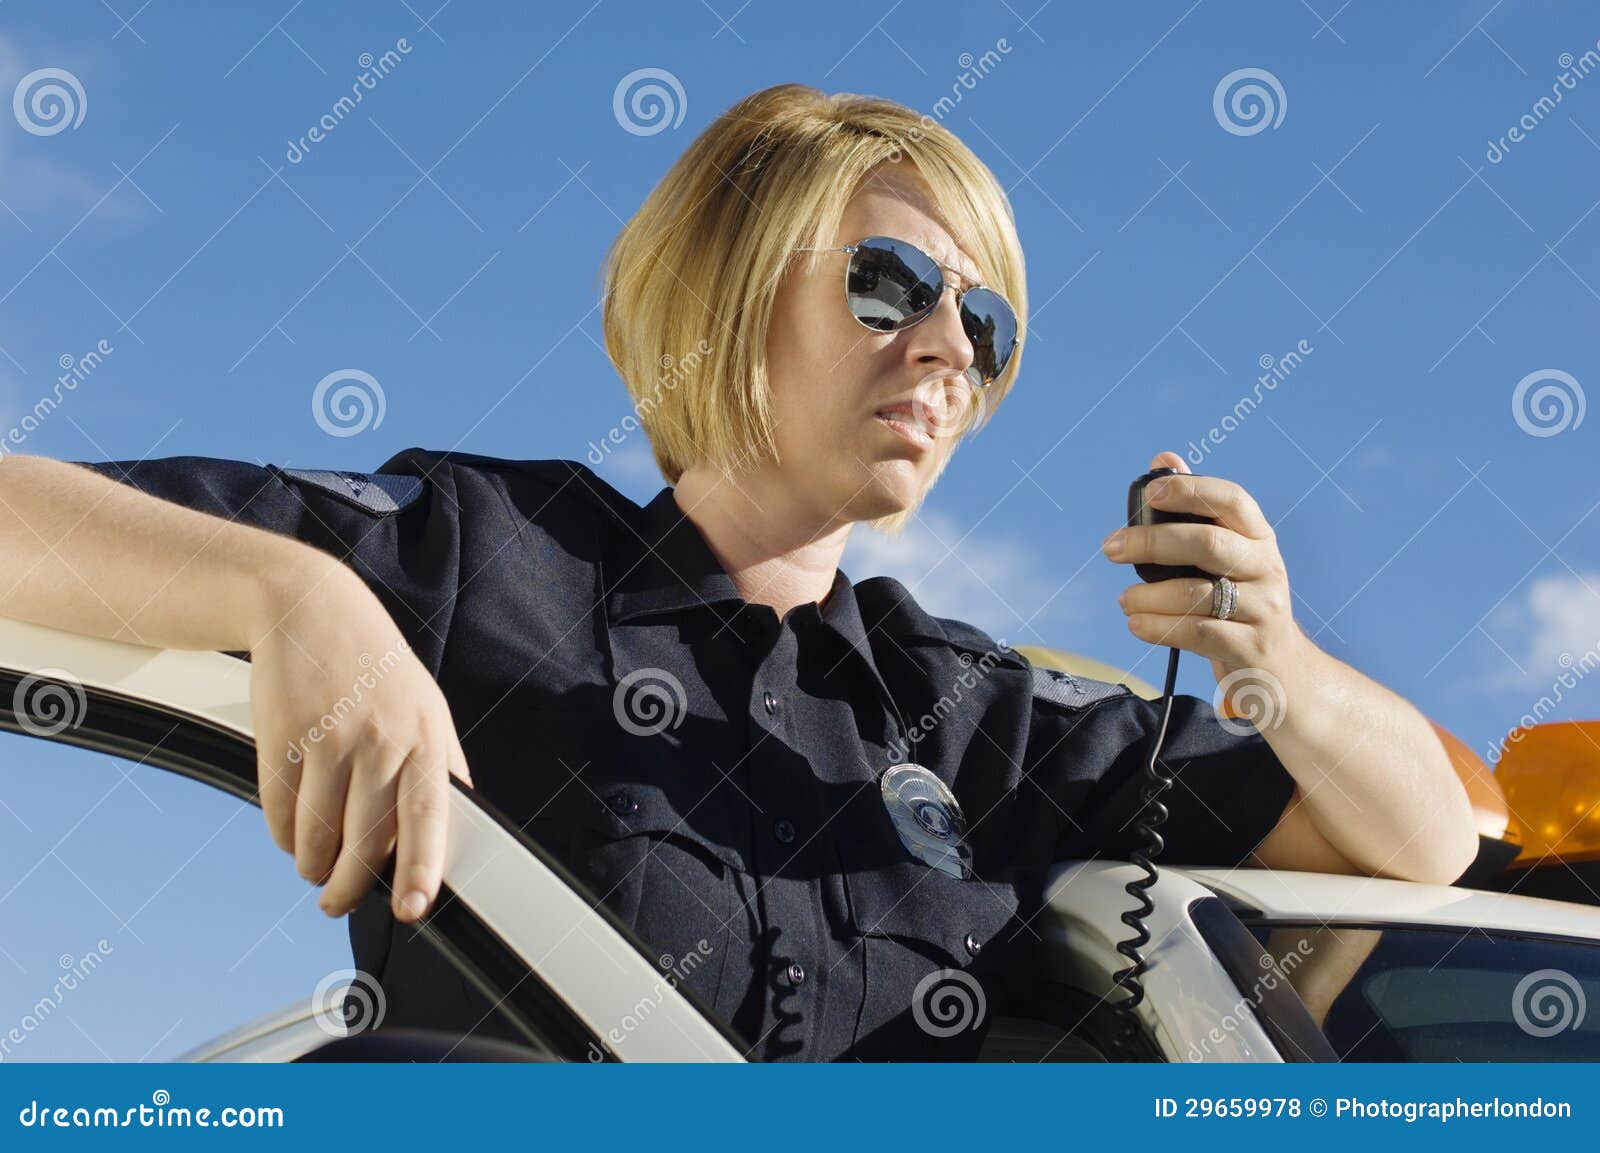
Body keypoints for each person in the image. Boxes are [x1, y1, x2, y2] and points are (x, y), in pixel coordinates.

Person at [0, 83, 1477, 1061]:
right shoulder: (476, 559)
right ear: (724, 290)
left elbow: (1425, 847)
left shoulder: (977, 714)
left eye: (990, 323)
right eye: (892, 284)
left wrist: (1272, 655)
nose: (953, 347)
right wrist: (296, 595)